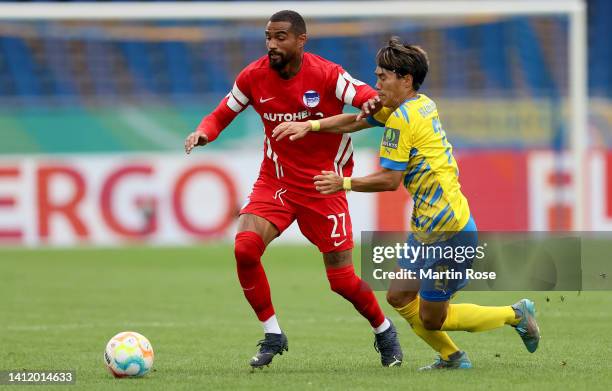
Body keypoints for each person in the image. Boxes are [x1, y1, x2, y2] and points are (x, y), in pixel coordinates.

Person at [272, 36, 540, 370]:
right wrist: (310, 125)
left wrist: (342, 183)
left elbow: (389, 180)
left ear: (405, 79)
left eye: (382, 77)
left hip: (448, 229)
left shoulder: (402, 119)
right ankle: (452, 357)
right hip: (428, 226)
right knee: (398, 296)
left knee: (432, 318)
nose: (376, 84)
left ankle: (514, 315)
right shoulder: (420, 103)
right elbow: (357, 121)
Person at [184, 11, 402, 368]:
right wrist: (204, 132)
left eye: (280, 37)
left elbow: (360, 92)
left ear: (301, 40)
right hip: (277, 181)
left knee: (342, 281)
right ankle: (272, 333)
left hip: (323, 185)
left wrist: (367, 101)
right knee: (245, 249)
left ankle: (384, 329)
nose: (272, 44)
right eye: (268, 37)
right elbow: (222, 113)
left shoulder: (327, 74)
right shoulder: (253, 77)